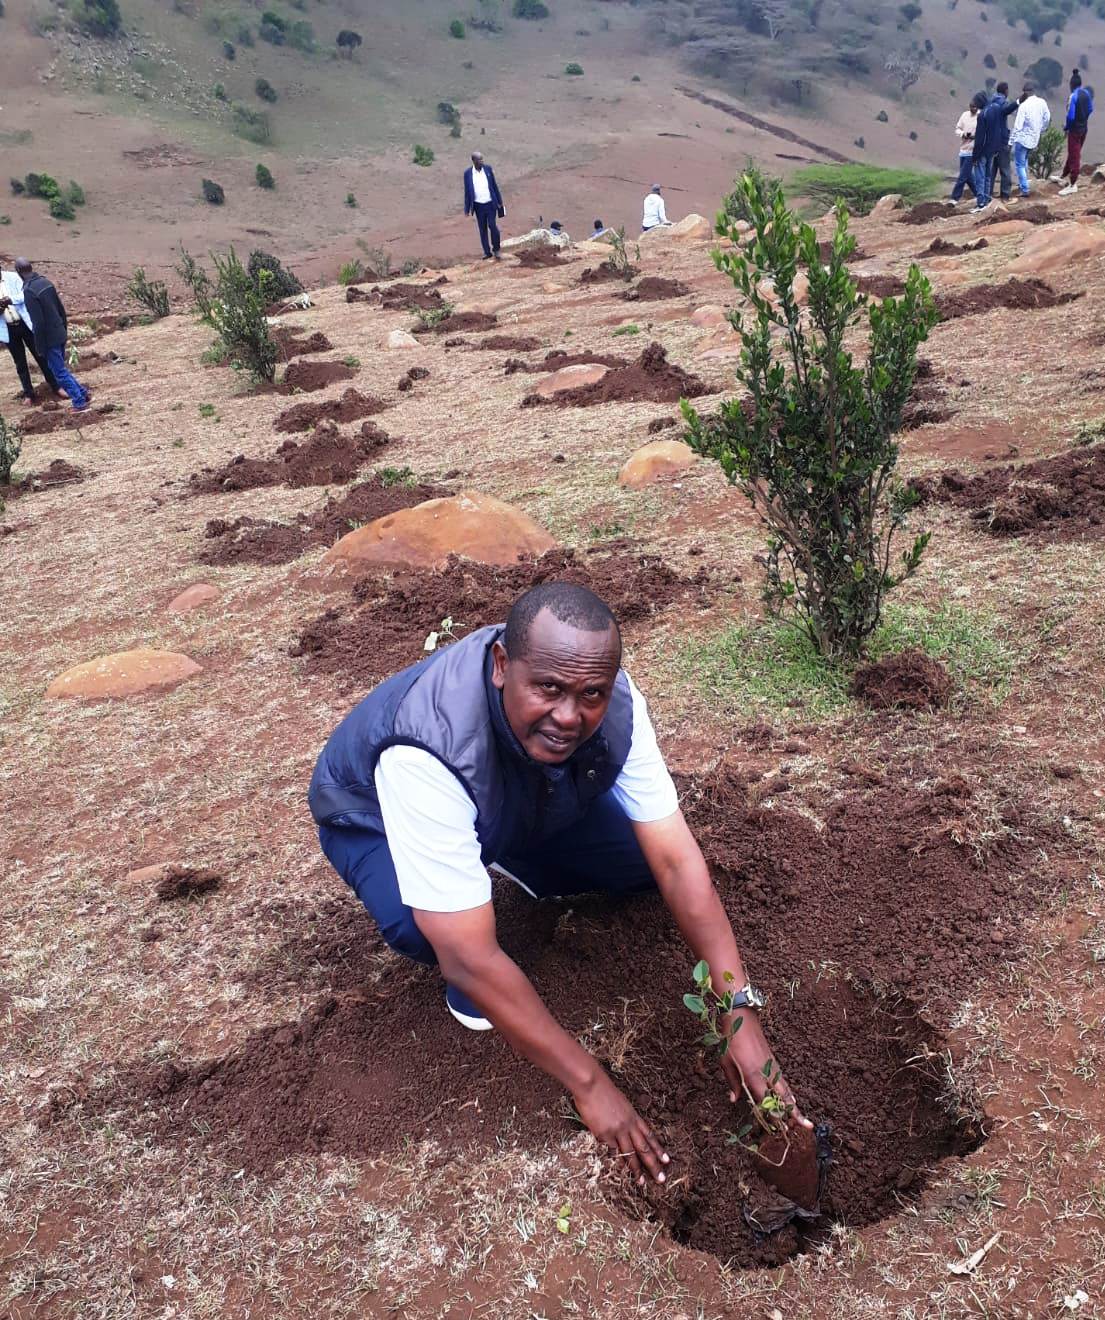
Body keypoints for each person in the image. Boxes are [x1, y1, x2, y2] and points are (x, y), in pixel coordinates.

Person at [310, 582, 810, 1183]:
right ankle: (467, 862)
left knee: (639, 863)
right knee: (429, 935)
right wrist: (591, 1084)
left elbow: (676, 861)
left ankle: (498, 856)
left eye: (589, 694)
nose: (570, 714)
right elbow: (469, 960)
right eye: (547, 688)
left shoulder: (619, 704)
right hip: (371, 817)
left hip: (518, 792)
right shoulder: (425, 751)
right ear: (501, 666)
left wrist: (738, 1012)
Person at [15, 259, 88, 411]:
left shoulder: (29, 291)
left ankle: (79, 402)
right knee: (61, 369)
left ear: (18, 272)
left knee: (59, 373)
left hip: (49, 338)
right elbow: (61, 309)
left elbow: (38, 323)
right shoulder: (45, 282)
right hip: (59, 331)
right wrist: (63, 329)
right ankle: (82, 393)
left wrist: (39, 346)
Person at [0, 264, 62, 405]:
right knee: (20, 362)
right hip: (8, 328)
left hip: (25, 323)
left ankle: (56, 386)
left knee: (40, 354)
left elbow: (24, 294)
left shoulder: (13, 277)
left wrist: (9, 300)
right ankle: (29, 394)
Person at [1010, 80, 1052, 200]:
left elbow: (1018, 126)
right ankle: (1025, 183)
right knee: (1025, 161)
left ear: (1025, 93)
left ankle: (1024, 189)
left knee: (1019, 164)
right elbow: (1047, 118)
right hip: (1034, 139)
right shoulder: (1042, 102)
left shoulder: (1023, 106)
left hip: (1022, 139)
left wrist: (1010, 142)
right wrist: (1041, 129)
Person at [463, 152, 506, 261]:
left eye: (482, 159)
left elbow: (494, 186)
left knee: (492, 226)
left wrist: (500, 201)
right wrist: (467, 209)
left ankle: (496, 249)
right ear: (474, 161)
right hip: (478, 206)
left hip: (490, 203)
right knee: (482, 229)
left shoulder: (488, 169)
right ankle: (487, 252)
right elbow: (467, 192)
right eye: (479, 160)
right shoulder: (467, 174)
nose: (482, 161)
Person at [1058, 68, 1094, 195]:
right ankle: (1063, 176)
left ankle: (1073, 184)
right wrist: (1083, 119)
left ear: (1071, 85)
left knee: (1075, 155)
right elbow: (1090, 109)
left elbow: (1071, 116)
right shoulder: (1086, 93)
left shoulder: (1073, 96)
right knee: (1073, 153)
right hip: (1084, 128)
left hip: (1074, 131)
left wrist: (1067, 127)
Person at [970, 91, 1003, 211]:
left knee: (980, 177)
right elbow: (999, 130)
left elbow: (980, 138)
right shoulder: (996, 109)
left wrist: (975, 156)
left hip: (983, 151)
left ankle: (980, 203)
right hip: (993, 149)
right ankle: (987, 199)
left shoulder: (982, 115)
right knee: (988, 176)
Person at [989, 82, 1020, 203]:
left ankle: (988, 194)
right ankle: (1005, 196)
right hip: (1001, 141)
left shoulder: (990, 102)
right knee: (1005, 170)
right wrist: (1017, 102)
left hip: (991, 141)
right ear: (1006, 91)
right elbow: (1007, 110)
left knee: (991, 170)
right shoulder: (1002, 103)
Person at [949, 97, 981, 204]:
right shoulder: (964, 115)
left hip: (973, 150)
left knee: (962, 176)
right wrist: (963, 134)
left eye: (975, 107)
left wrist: (975, 137)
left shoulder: (981, 116)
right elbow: (957, 129)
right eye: (971, 107)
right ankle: (978, 194)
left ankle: (954, 198)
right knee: (968, 176)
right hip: (963, 148)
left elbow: (984, 132)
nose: (973, 109)